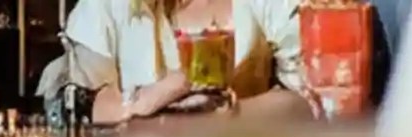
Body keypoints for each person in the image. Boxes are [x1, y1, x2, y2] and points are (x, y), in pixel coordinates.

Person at [42, 0, 314, 123]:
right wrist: (138, 105)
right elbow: (63, 102)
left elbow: (317, 100)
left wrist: (226, 114)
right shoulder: (110, 5)